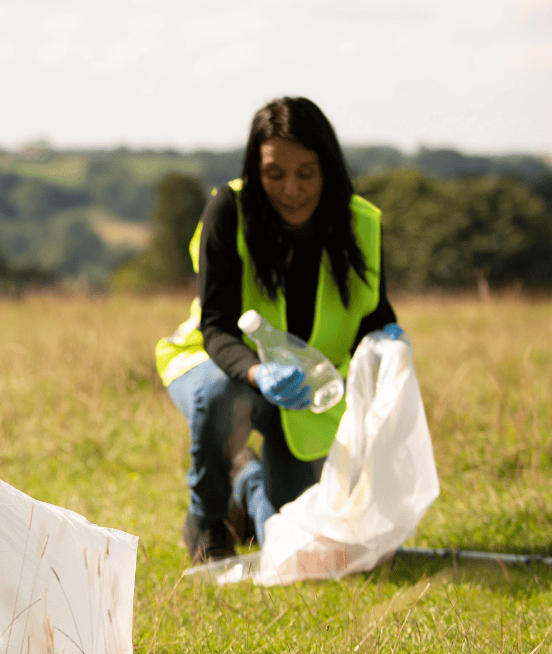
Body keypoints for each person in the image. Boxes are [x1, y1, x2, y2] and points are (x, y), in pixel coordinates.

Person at [154, 97, 403, 564]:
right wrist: (257, 374)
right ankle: (207, 522)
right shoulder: (228, 211)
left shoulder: (361, 224)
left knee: (296, 547)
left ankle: (247, 484)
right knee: (221, 395)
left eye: (306, 173)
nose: (291, 189)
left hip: (306, 392)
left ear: (327, 169)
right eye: (274, 174)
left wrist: (389, 339)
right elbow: (216, 326)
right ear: (255, 169)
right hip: (219, 366)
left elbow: (373, 315)